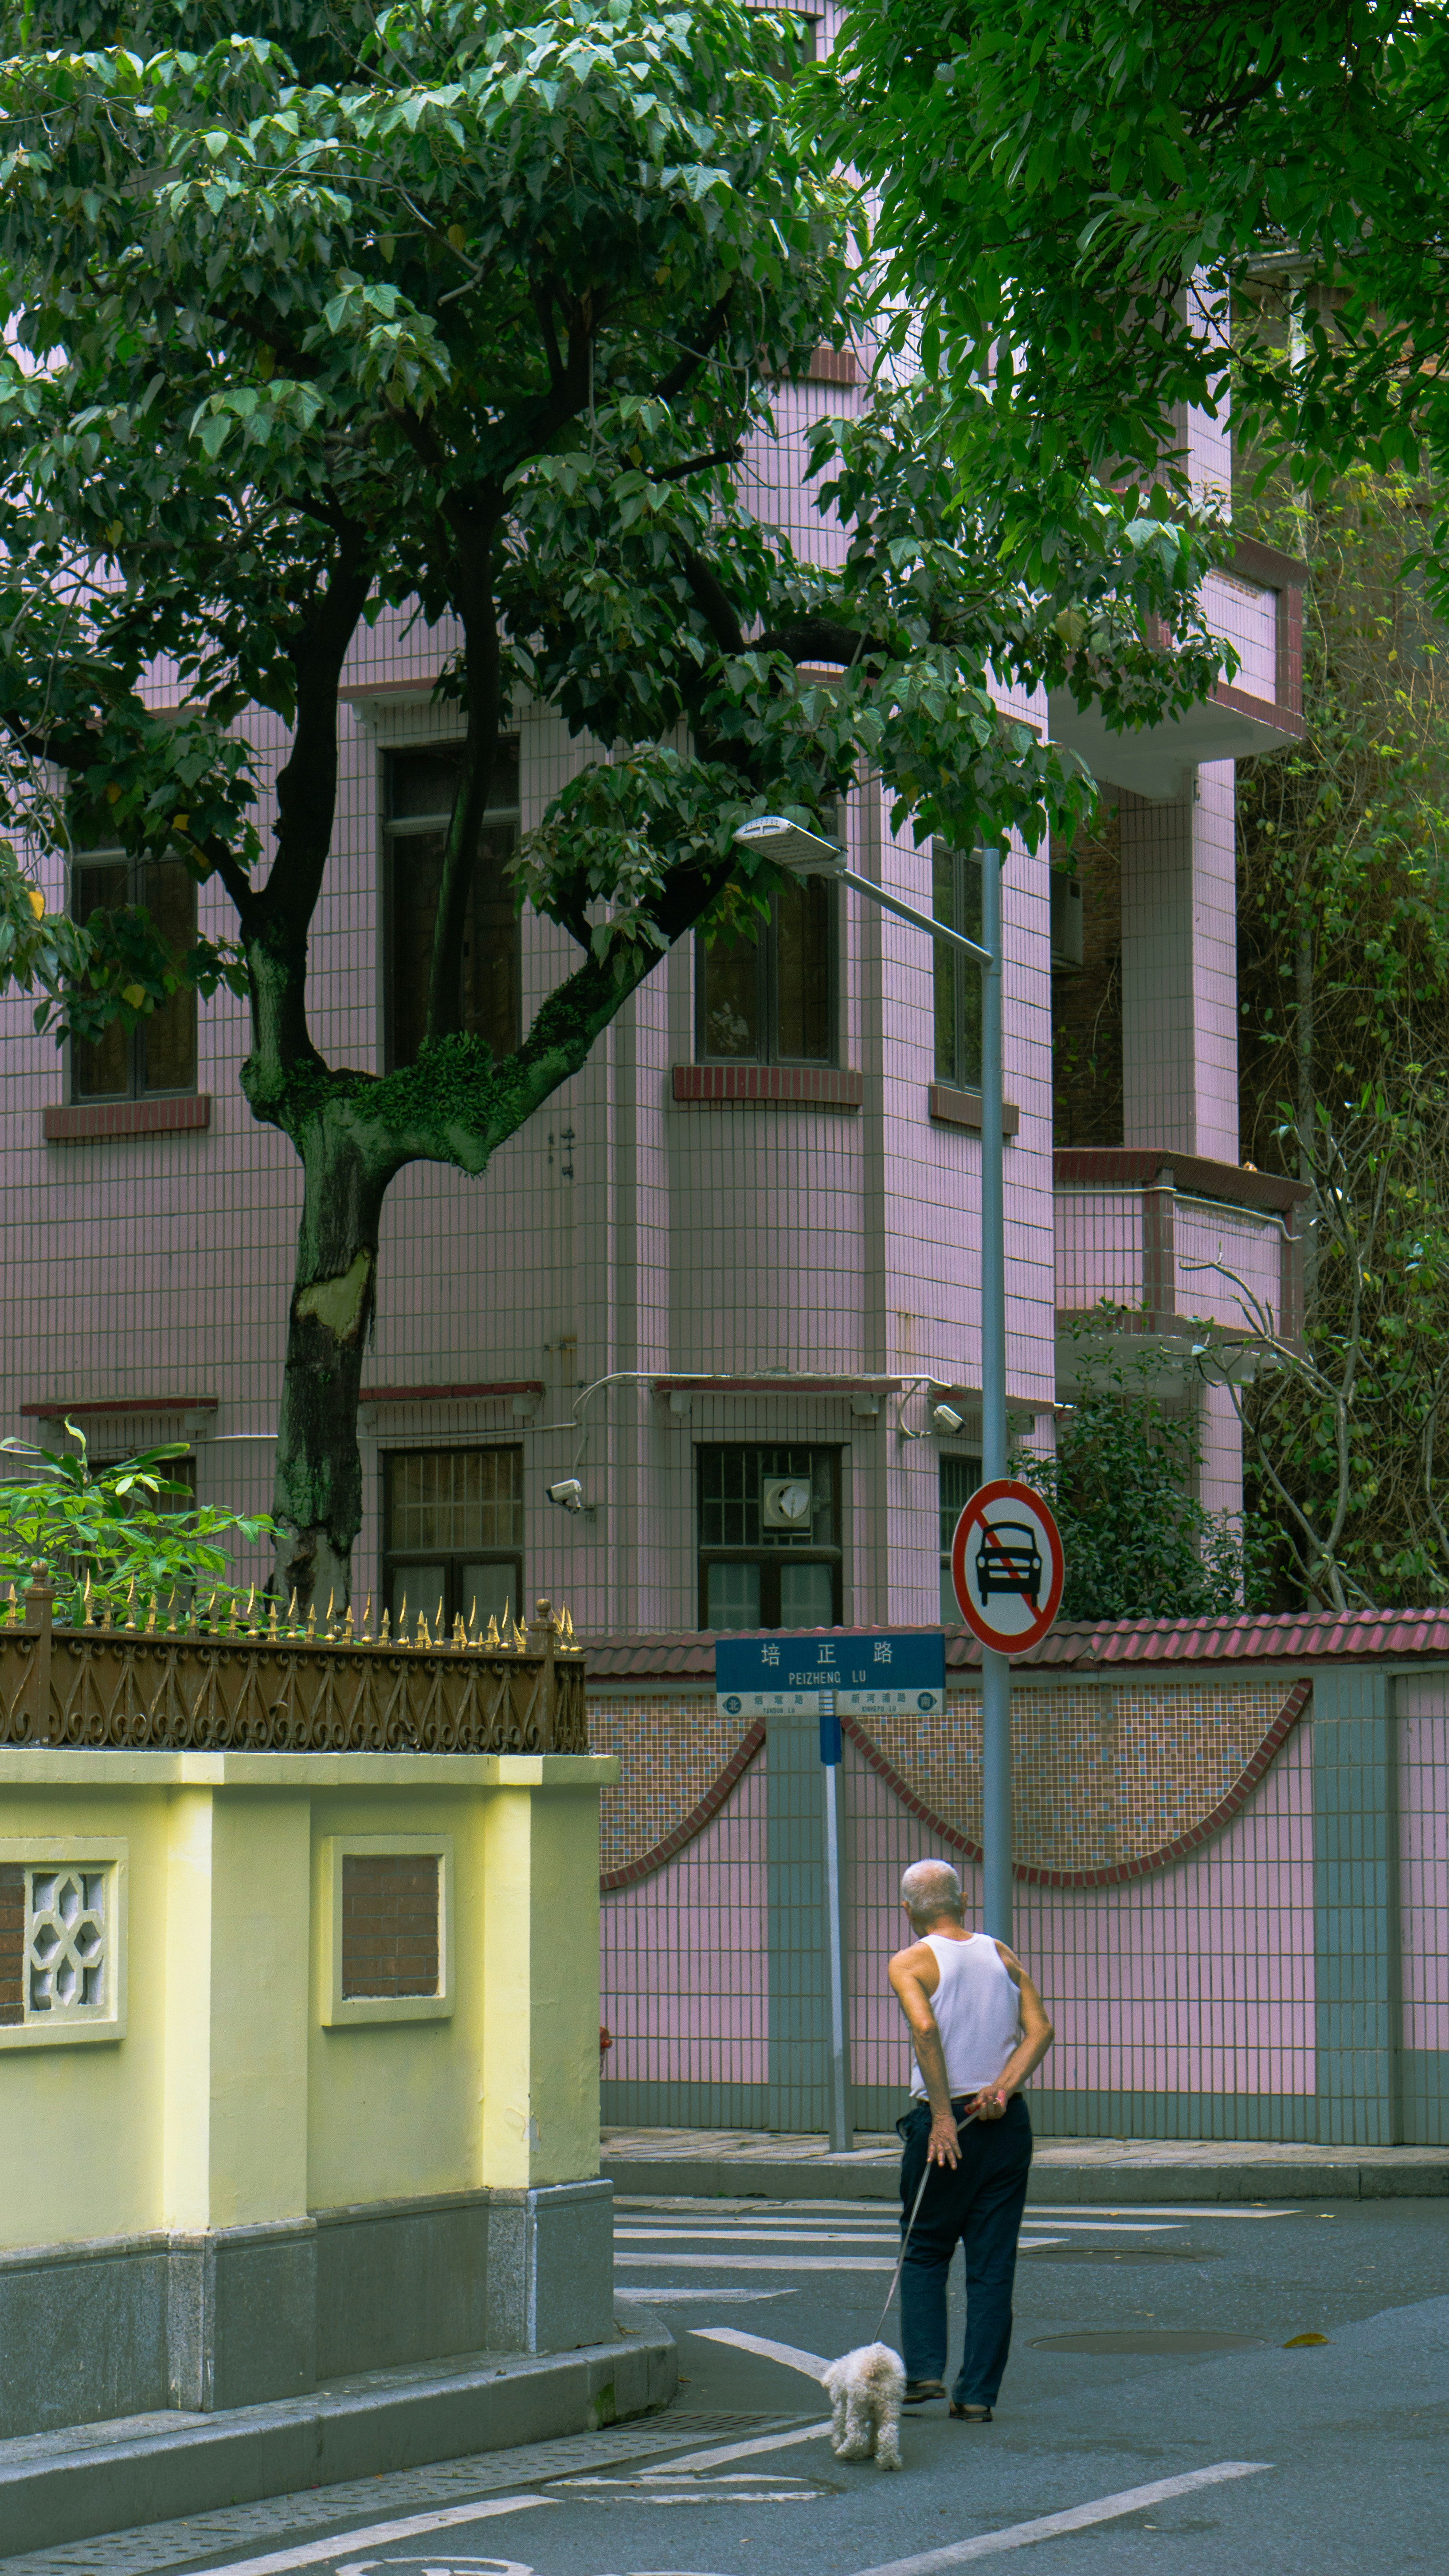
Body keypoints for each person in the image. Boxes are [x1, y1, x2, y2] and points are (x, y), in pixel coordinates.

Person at [887, 1857, 1054, 2422]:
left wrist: (941, 2117)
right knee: (992, 2261)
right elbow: (1040, 2029)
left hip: (946, 2122)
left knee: (925, 2246)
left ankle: (923, 2372)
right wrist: (1002, 2088)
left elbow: (924, 2028)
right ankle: (978, 2394)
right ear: (962, 1902)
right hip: (1004, 2120)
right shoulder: (1000, 1953)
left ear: (907, 1910)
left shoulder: (909, 1962)